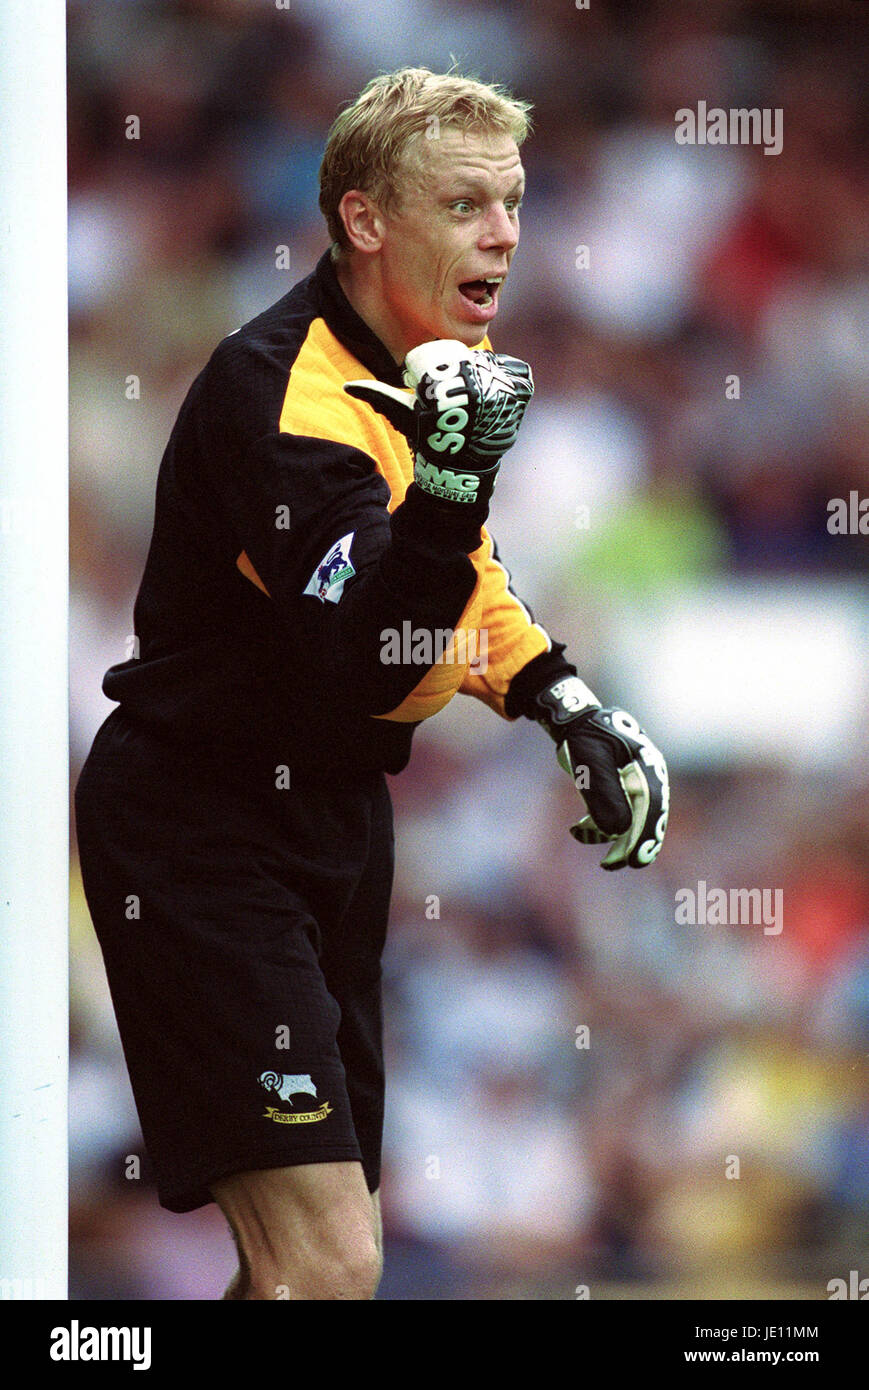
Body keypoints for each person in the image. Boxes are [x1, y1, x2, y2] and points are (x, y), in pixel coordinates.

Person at [74, 66, 669, 1301]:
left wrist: (559, 698)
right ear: (362, 220)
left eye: (510, 201)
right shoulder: (278, 400)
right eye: (463, 204)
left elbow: (459, 583)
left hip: (331, 823)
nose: (503, 233)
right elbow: (367, 661)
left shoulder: (438, 355)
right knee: (329, 1265)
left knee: (302, 1264)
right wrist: (452, 491)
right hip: (202, 822)